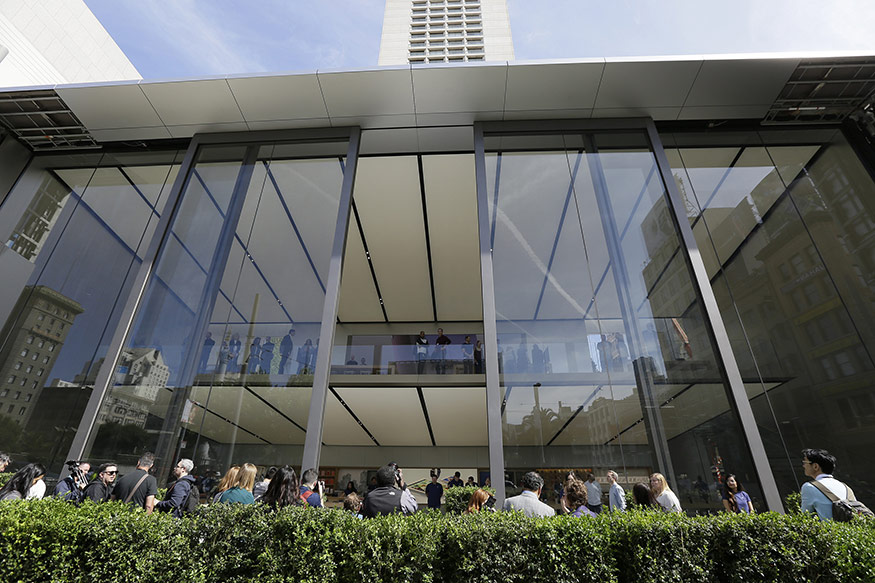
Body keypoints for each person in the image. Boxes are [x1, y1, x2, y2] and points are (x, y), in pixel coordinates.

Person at [800, 448, 853, 521]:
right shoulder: (845, 487)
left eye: (805, 462)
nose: (803, 466)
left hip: (830, 531)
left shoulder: (809, 487)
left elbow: (805, 517)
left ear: (815, 466)